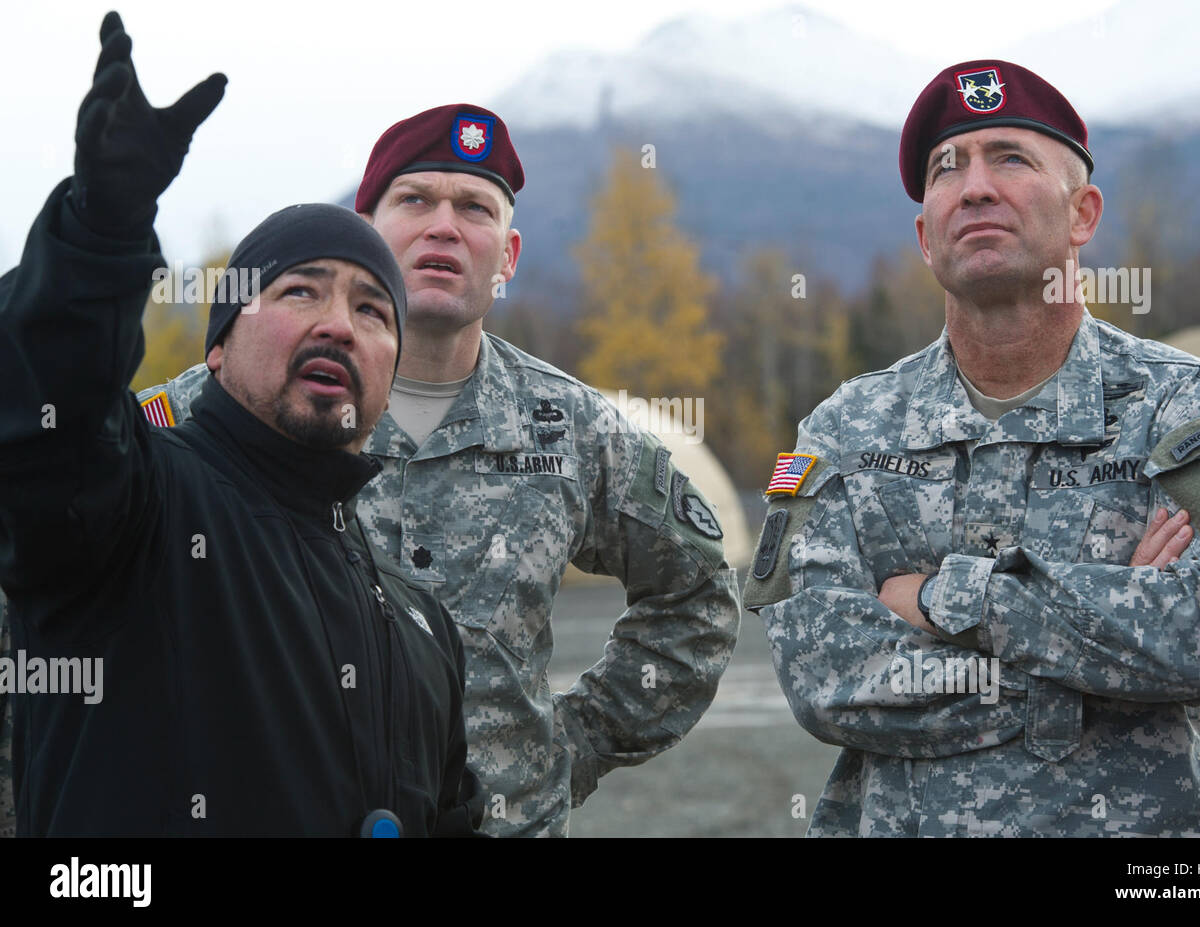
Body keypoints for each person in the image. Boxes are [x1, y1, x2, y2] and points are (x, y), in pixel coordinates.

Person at [127, 105, 742, 836]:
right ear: (366, 231)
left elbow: (700, 590)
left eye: (474, 208)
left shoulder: (575, 428)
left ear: (508, 256)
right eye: (415, 200)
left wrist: (568, 748)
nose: (444, 227)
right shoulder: (214, 405)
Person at [744, 59, 1200, 837]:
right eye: (947, 167)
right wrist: (1112, 656)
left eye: (1009, 158)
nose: (974, 187)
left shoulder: (1189, 409)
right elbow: (823, 674)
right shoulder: (846, 428)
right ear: (925, 236)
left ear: (1083, 213)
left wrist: (939, 599)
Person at [0, 13, 481, 836]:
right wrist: (98, 231)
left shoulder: (423, 626)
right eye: (300, 291)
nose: (339, 324)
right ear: (218, 346)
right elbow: (41, 409)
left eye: (373, 310)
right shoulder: (137, 501)